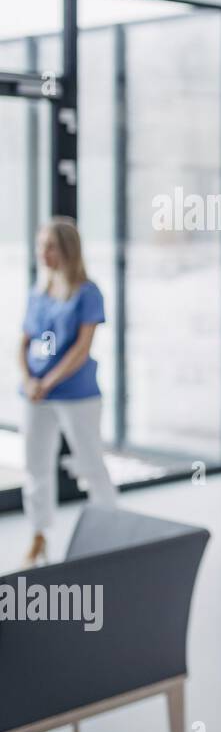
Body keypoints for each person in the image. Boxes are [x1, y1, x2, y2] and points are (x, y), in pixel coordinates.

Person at [18, 216, 118, 567]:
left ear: (67, 250)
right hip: (36, 395)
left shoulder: (88, 293)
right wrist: (29, 379)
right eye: (40, 245)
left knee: (90, 464)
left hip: (77, 395)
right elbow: (24, 341)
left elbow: (81, 349)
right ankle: (39, 536)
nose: (42, 253)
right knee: (36, 467)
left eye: (50, 246)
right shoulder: (38, 293)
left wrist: (48, 382)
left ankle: (110, 533)